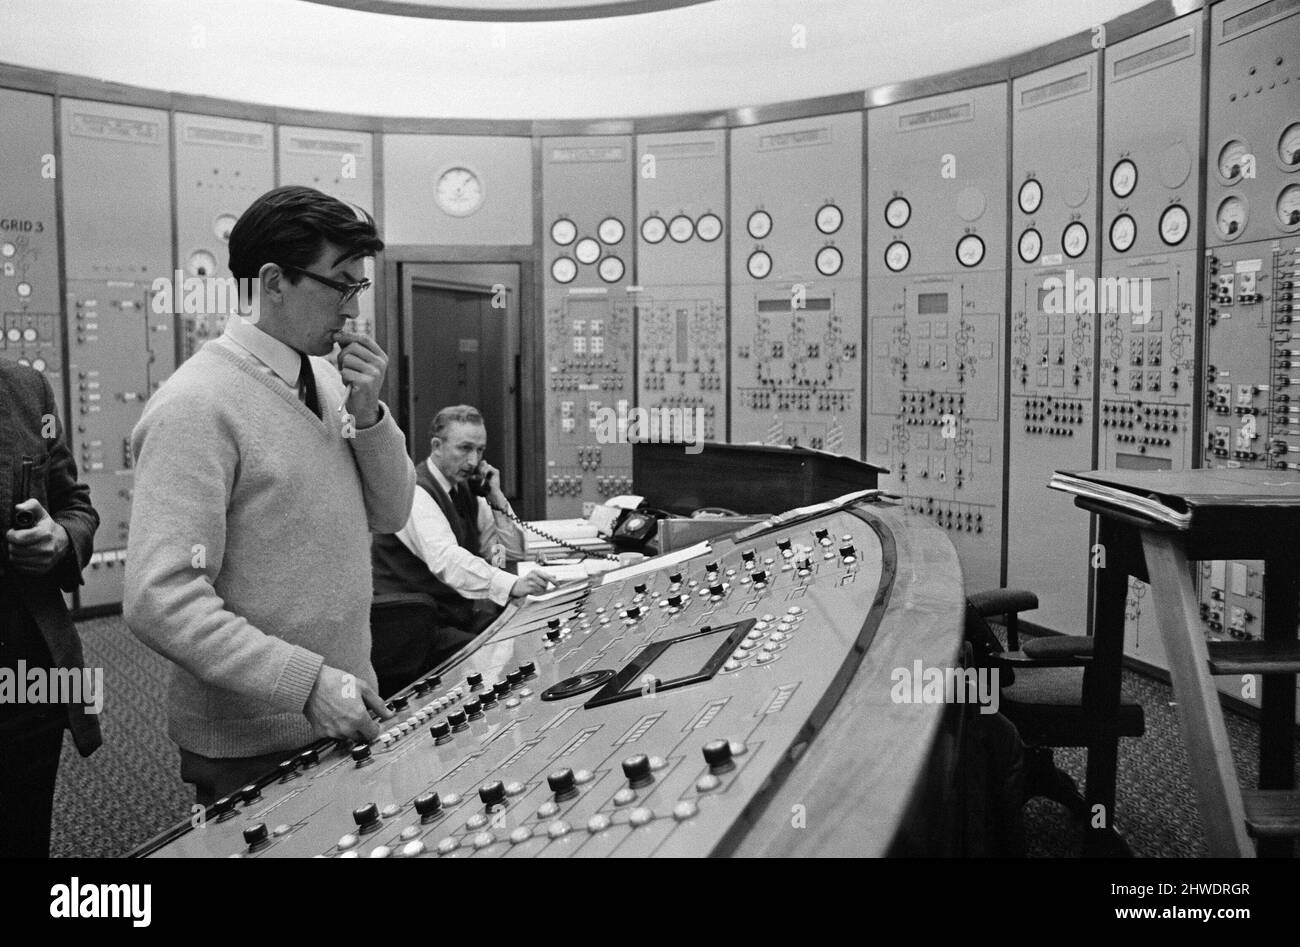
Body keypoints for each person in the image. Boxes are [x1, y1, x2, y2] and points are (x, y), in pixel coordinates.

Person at [124, 185, 415, 806]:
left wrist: (370, 419)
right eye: (341, 284)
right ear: (274, 281)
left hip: (344, 706)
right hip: (253, 740)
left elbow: (392, 514)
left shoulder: (333, 381)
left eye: (358, 288)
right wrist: (305, 685)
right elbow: (160, 598)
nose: (351, 308)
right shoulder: (195, 405)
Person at [371, 406, 553, 691]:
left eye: (479, 451)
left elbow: (509, 553)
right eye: (465, 449)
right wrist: (512, 584)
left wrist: (496, 497)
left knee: (521, 643)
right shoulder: (416, 492)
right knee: (499, 669)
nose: (473, 461)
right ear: (437, 447)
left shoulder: (466, 491)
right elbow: (447, 560)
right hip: (415, 633)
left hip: (454, 618)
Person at [1, 360, 101, 856]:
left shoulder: (26, 388)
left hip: (26, 685)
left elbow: (75, 505)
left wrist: (60, 538)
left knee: (23, 835)